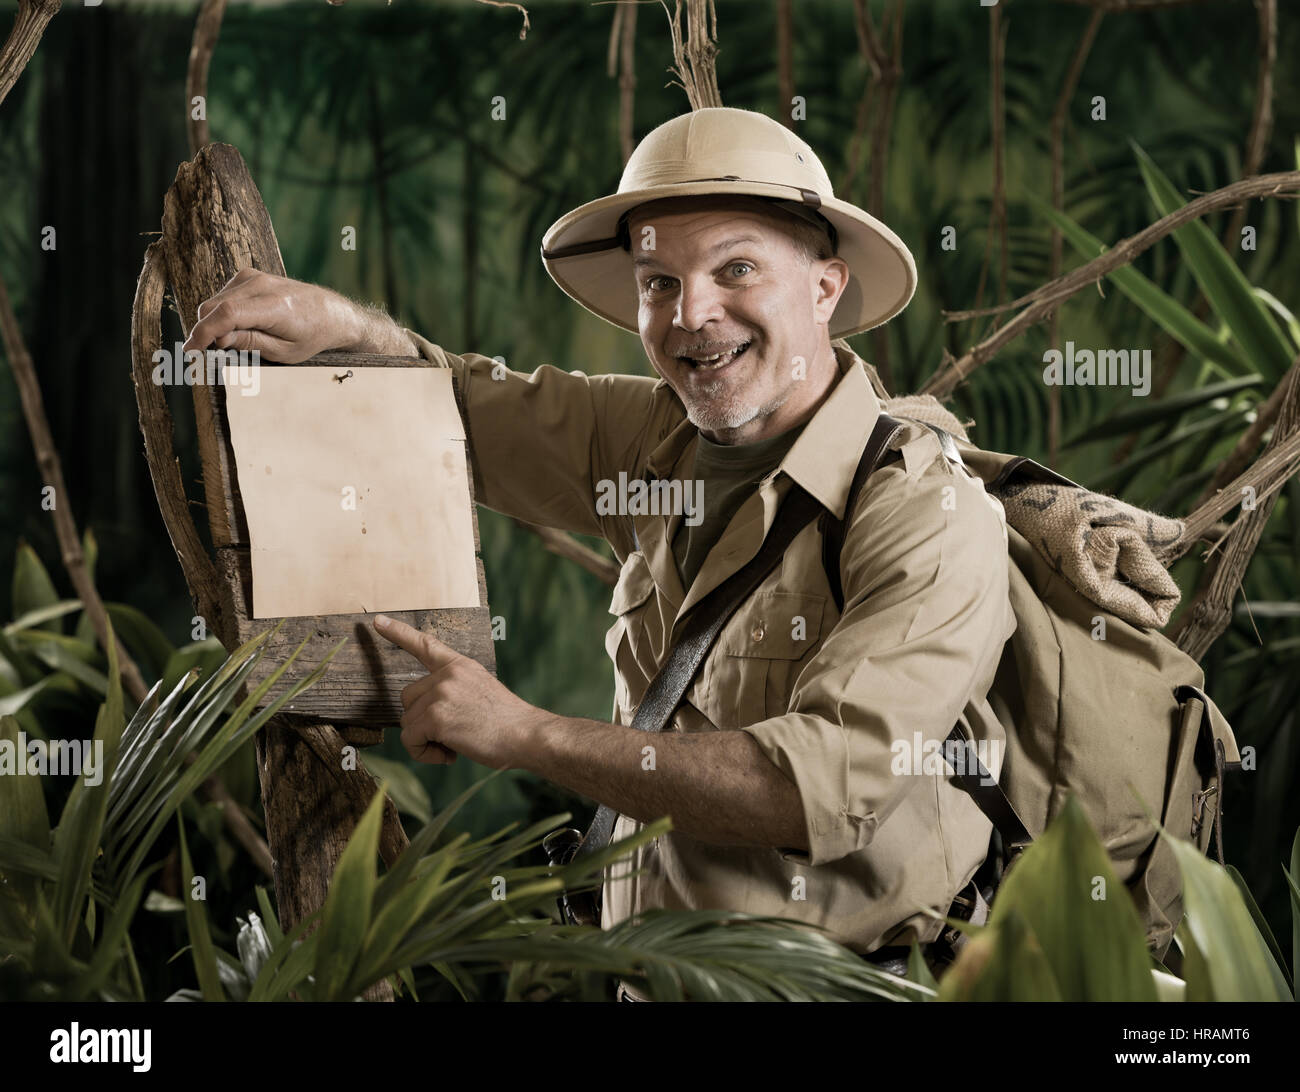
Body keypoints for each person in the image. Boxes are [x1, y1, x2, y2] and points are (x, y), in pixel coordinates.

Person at [184, 107, 1014, 995]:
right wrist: (348, 325)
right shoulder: (665, 443)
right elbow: (472, 413)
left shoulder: (924, 510)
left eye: (737, 268)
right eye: (659, 281)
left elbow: (816, 787)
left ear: (825, 289)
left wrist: (523, 732)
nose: (692, 315)